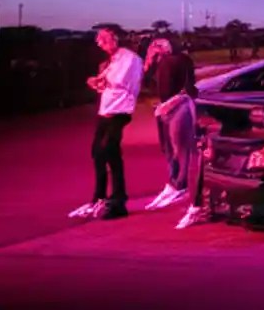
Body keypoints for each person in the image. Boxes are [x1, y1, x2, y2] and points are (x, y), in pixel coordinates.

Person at [69, 26, 143, 220]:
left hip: (119, 111)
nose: (101, 43)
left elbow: (120, 81)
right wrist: (96, 82)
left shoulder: (129, 58)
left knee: (111, 152)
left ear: (114, 39)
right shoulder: (112, 61)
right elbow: (107, 84)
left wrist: (101, 79)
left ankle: (119, 200)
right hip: (106, 110)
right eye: (99, 40)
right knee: (98, 153)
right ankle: (99, 196)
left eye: (103, 39)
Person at [144, 39, 198, 211]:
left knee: (179, 148)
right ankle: (174, 182)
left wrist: (170, 102)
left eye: (158, 46)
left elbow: (187, 86)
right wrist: (149, 63)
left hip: (176, 106)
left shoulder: (176, 61)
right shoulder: (160, 64)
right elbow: (148, 84)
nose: (154, 49)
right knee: (170, 148)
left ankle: (180, 184)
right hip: (164, 109)